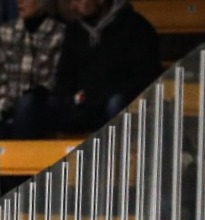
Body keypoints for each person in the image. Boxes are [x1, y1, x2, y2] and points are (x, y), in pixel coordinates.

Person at [49, 0, 161, 133]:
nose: (72, 6)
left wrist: (97, 95)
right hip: (83, 102)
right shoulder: (74, 30)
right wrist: (72, 98)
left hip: (117, 99)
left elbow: (144, 78)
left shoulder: (136, 27)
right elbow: (64, 75)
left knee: (116, 104)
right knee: (40, 104)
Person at [0, 0, 66, 139]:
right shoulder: (5, 32)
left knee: (26, 105)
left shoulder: (60, 33)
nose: (19, 2)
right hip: (7, 103)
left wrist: (38, 94)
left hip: (43, 104)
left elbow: (58, 77)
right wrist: (4, 104)